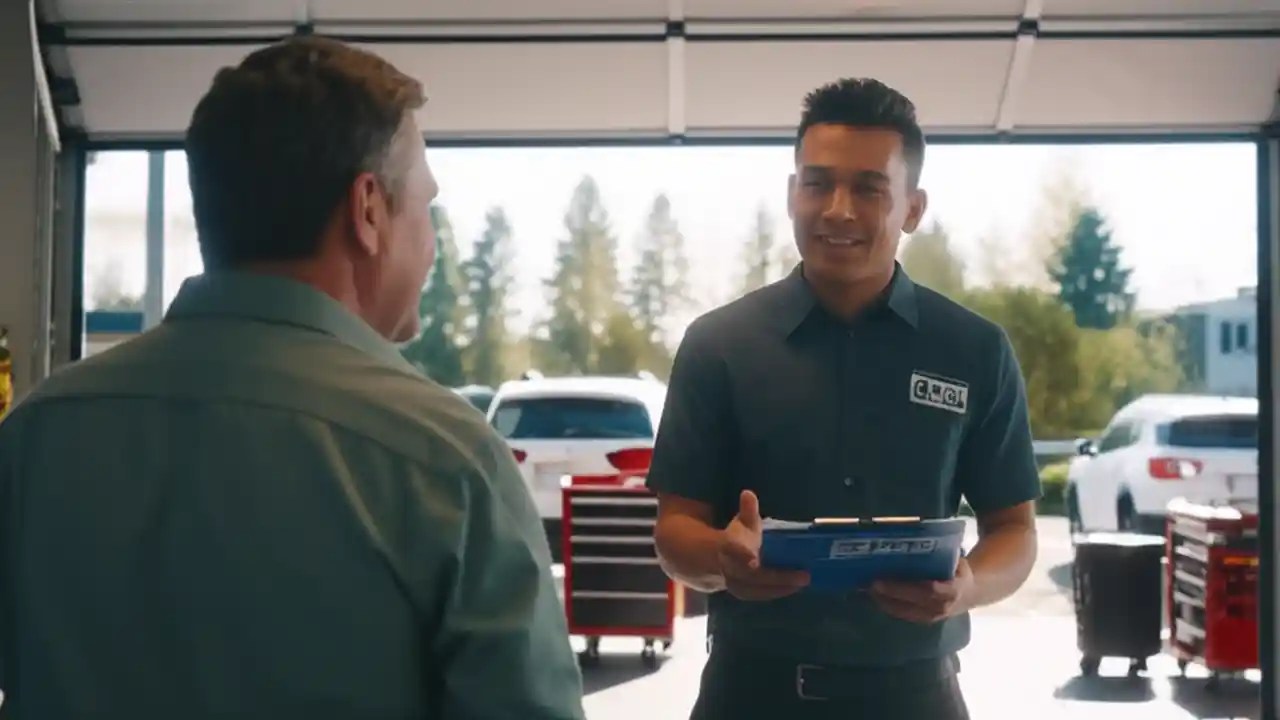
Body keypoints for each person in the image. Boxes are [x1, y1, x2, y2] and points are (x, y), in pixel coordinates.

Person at [0, 37, 584, 720]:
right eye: (425, 206)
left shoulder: (34, 439)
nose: (429, 244)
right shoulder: (445, 461)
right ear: (368, 210)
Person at [647, 78, 1040, 719]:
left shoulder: (974, 350)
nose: (837, 210)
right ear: (791, 194)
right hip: (751, 695)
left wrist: (968, 585)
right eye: (817, 183)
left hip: (918, 698)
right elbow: (674, 530)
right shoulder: (719, 345)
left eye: (868, 189)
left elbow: (1015, 531)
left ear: (912, 208)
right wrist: (721, 558)